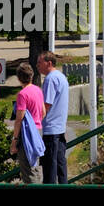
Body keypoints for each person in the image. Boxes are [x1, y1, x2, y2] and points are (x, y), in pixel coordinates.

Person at [9, 62, 45, 184]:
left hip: (27, 134)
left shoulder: (22, 95)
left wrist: (14, 140)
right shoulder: (38, 90)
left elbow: (19, 118)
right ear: (31, 76)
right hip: (38, 130)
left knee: (28, 169)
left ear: (19, 78)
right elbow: (43, 112)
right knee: (36, 166)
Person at [38, 51, 69, 183]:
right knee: (61, 166)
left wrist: (35, 120)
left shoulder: (50, 79)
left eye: (40, 62)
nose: (37, 65)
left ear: (49, 63)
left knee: (49, 168)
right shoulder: (61, 77)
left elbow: (47, 104)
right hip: (60, 129)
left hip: (51, 129)